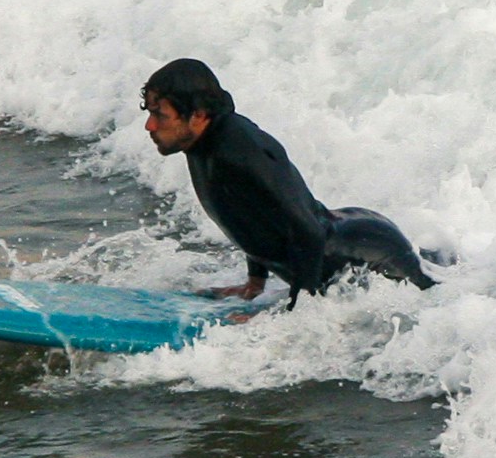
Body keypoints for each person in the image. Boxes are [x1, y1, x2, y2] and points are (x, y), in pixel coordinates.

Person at [139, 58, 433, 303]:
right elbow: (249, 217)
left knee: (430, 302)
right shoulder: (202, 143)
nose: (149, 125)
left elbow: (308, 231)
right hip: (343, 240)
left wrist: (296, 312)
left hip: (372, 253)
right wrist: (254, 284)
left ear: (198, 115)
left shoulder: (239, 149)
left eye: (159, 115)